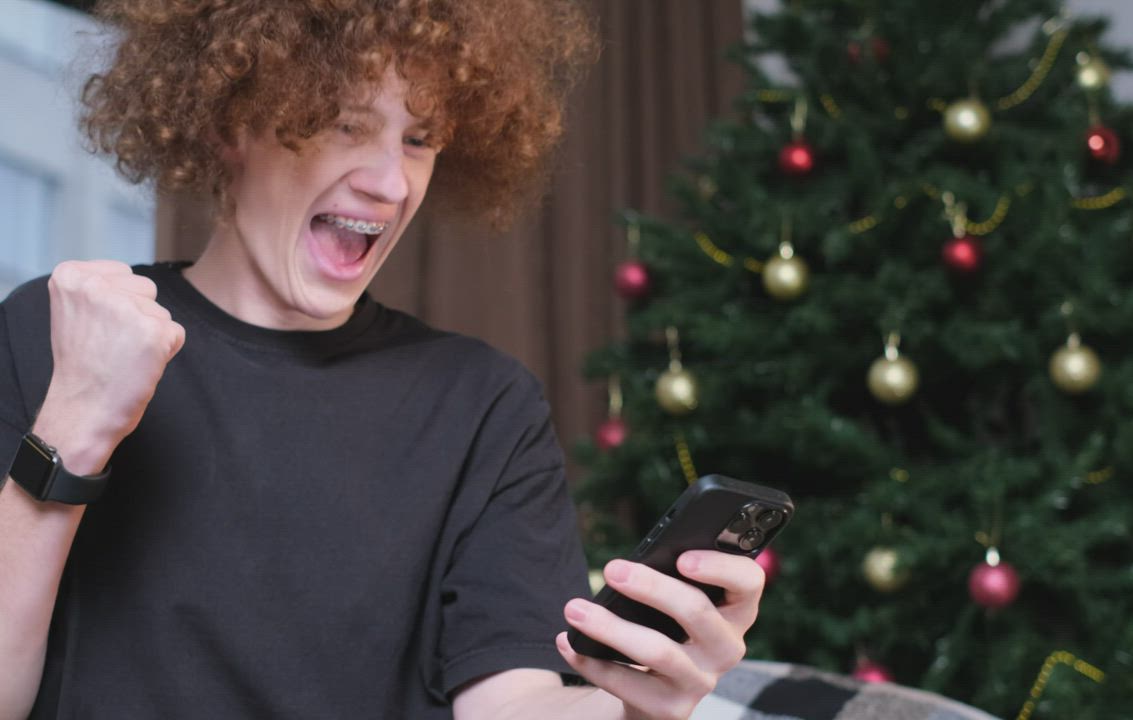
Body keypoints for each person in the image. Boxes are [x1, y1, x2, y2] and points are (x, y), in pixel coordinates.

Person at [0, 1, 766, 718]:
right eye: (342, 124)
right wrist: (76, 423)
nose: (391, 183)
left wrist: (630, 705)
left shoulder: (484, 406)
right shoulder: (55, 332)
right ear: (228, 122)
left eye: (420, 139)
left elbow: (511, 702)